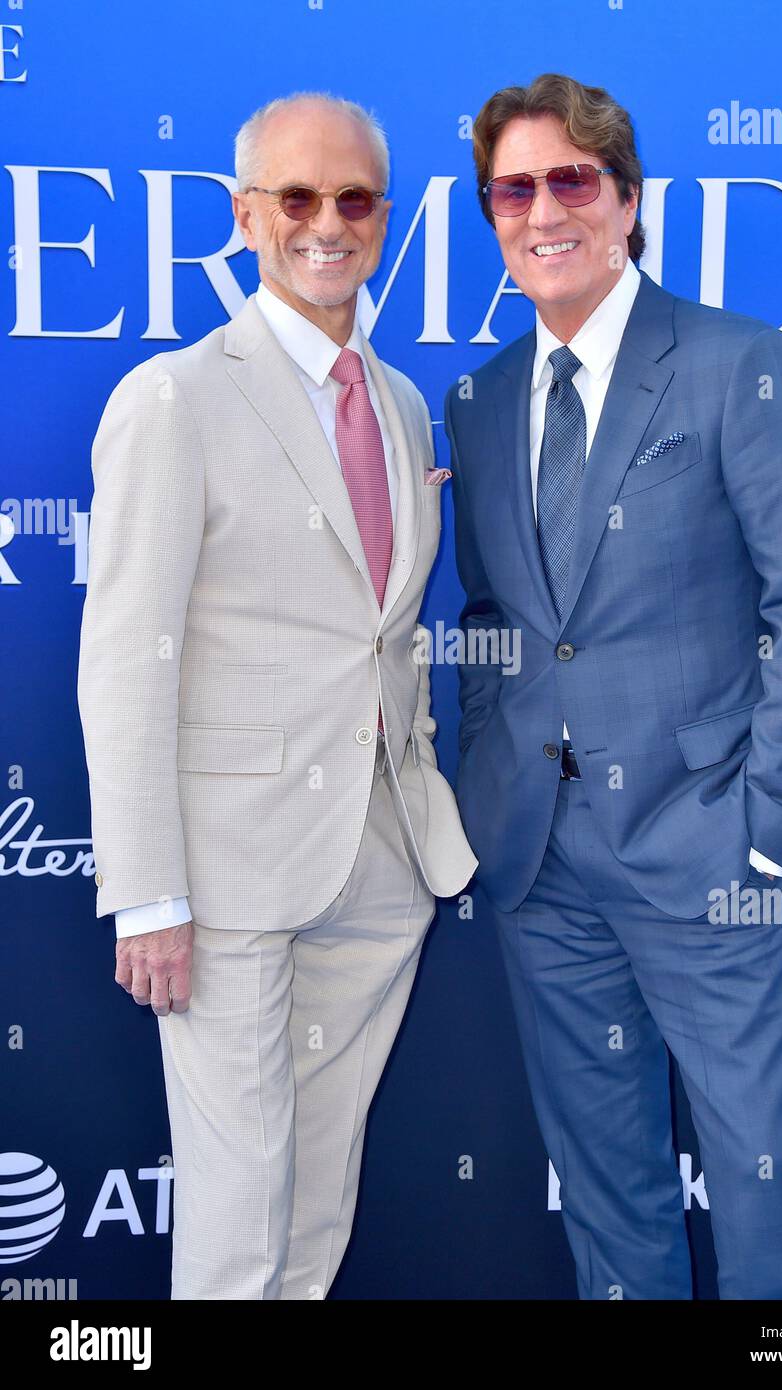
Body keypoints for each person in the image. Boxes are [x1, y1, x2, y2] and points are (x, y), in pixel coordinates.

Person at [446, 72, 782, 1299]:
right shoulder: (475, 406)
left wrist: (764, 842)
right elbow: (491, 620)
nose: (543, 211)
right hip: (540, 866)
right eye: (511, 189)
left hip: (710, 859)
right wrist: (490, 788)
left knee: (754, 1179)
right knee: (604, 1191)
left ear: (627, 201)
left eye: (569, 180)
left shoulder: (739, 364)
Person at [77, 91, 476, 1300]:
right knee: (239, 1221)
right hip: (229, 873)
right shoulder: (177, 397)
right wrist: (146, 891)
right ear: (246, 217)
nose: (325, 224)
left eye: (352, 199)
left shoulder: (401, 402)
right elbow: (125, 655)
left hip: (377, 860)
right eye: (295, 199)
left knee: (313, 1204)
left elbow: (376, 634)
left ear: (385, 217)